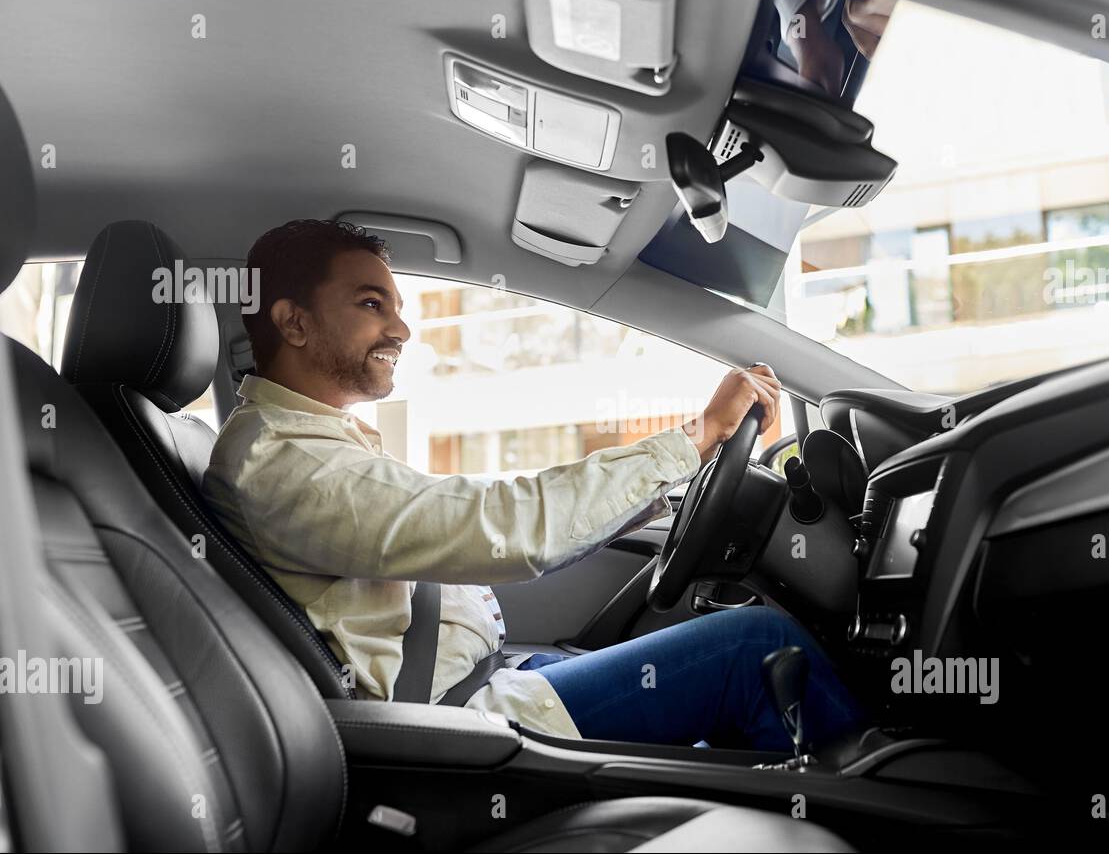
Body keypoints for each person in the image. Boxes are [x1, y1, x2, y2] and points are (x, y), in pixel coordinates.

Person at [201, 219, 868, 752]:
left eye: (397, 308)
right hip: (451, 728)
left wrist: (673, 487)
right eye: (372, 305)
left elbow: (471, 521)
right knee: (756, 650)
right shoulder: (282, 463)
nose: (402, 329)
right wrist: (694, 438)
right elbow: (507, 526)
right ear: (293, 323)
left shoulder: (313, 442)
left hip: (488, 682)